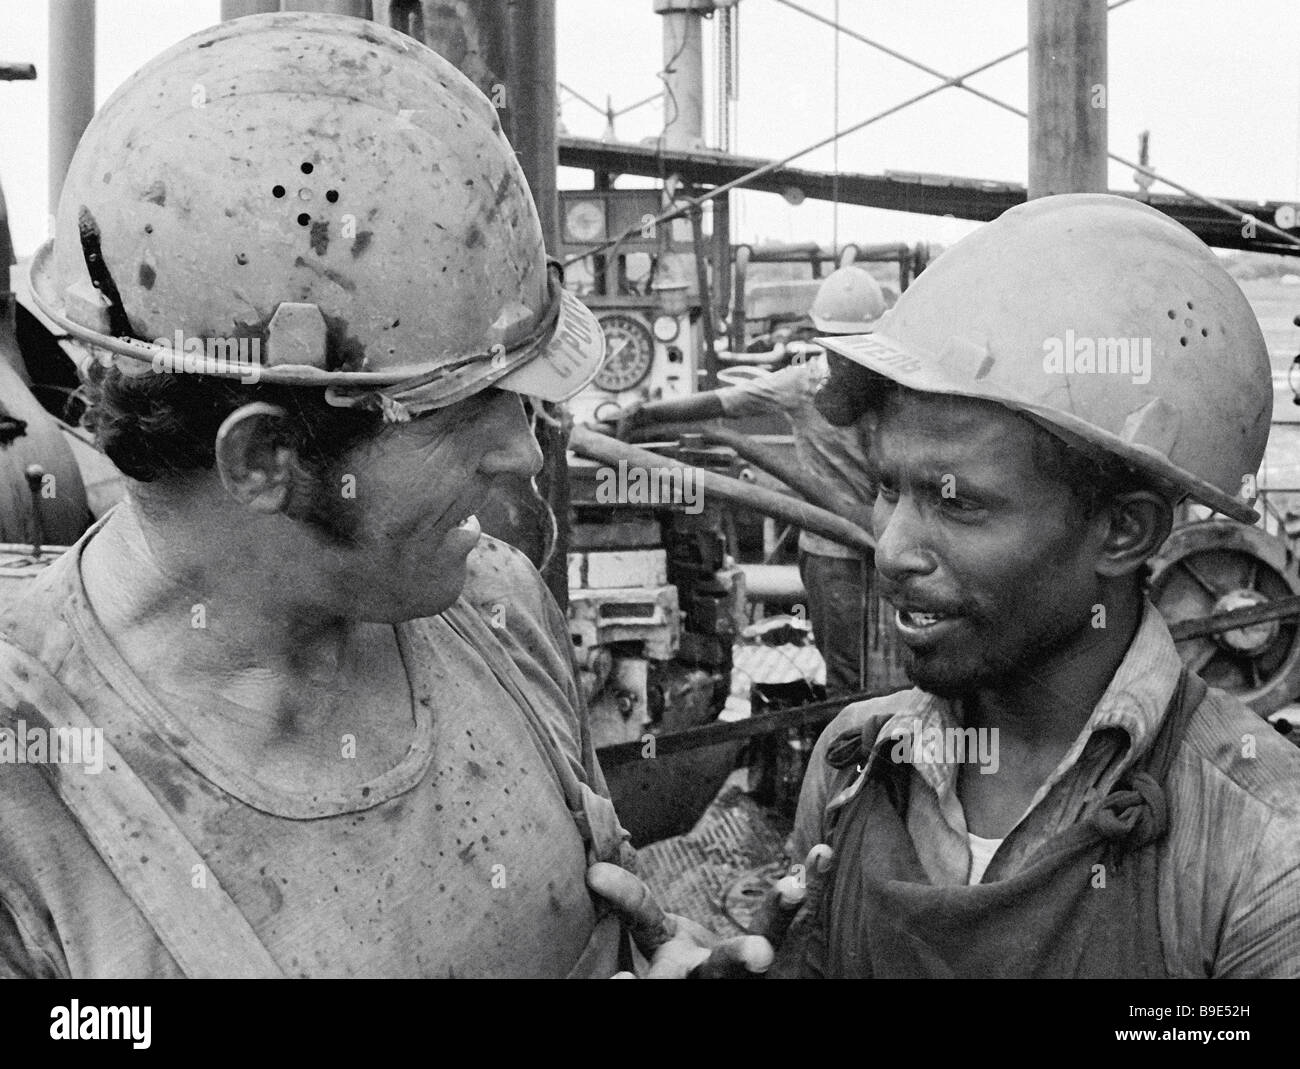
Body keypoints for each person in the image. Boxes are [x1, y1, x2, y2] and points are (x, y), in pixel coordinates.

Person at [0, 12, 766, 979]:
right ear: (264, 459)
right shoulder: (28, 793)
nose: (523, 457)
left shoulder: (494, 610)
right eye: (466, 415)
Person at [779, 193, 1300, 977]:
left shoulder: (1261, 843)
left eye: (958, 502)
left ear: (1124, 531)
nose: (890, 549)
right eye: (890, 487)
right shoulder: (854, 764)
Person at [617, 265, 886, 695]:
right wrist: (650, 414)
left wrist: (652, 414)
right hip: (835, 552)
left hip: (882, 549)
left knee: (880, 674)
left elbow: (725, 402)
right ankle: (847, 751)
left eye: (854, 344)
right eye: (839, 344)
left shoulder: (887, 387)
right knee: (849, 676)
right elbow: (725, 401)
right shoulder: (806, 383)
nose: (846, 354)